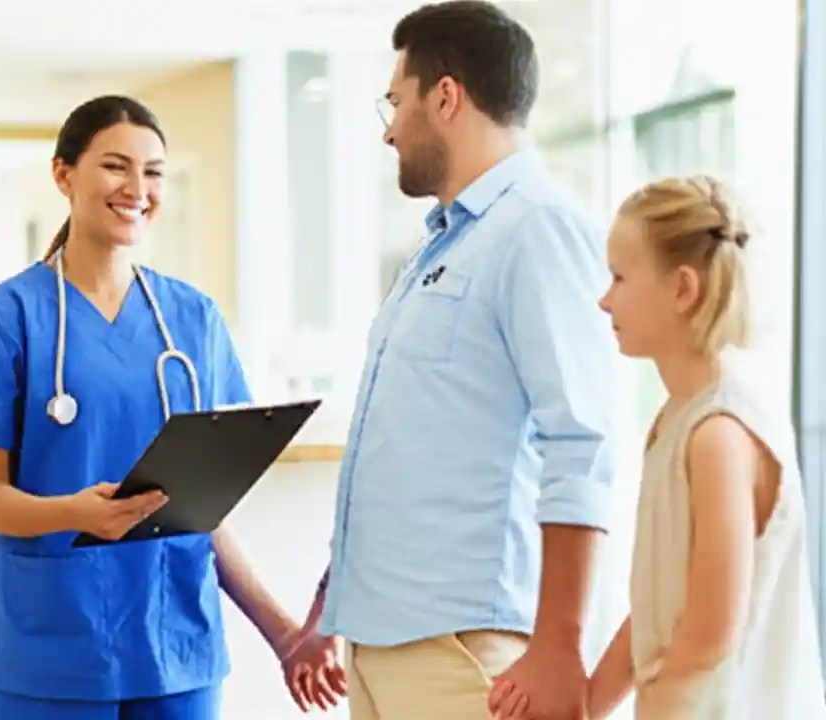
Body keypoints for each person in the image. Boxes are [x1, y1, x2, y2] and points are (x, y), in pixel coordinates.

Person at [0, 95, 326, 720]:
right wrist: (73, 512)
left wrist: (283, 633)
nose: (137, 188)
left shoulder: (193, 319)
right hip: (53, 648)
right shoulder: (4, 319)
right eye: (115, 166)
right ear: (64, 175)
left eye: (154, 172)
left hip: (176, 645)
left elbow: (201, 511)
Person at [277, 2, 617, 718]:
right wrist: (327, 609)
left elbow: (580, 443)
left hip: (467, 644)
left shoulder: (538, 227)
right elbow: (407, 448)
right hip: (381, 640)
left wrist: (559, 641)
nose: (388, 129)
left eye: (395, 102)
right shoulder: (444, 245)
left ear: (446, 96)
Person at [491, 176, 826, 719]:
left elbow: (707, 637)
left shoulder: (719, 435)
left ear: (683, 289)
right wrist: (585, 707)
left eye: (619, 277)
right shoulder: (675, 422)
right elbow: (658, 616)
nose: (603, 300)